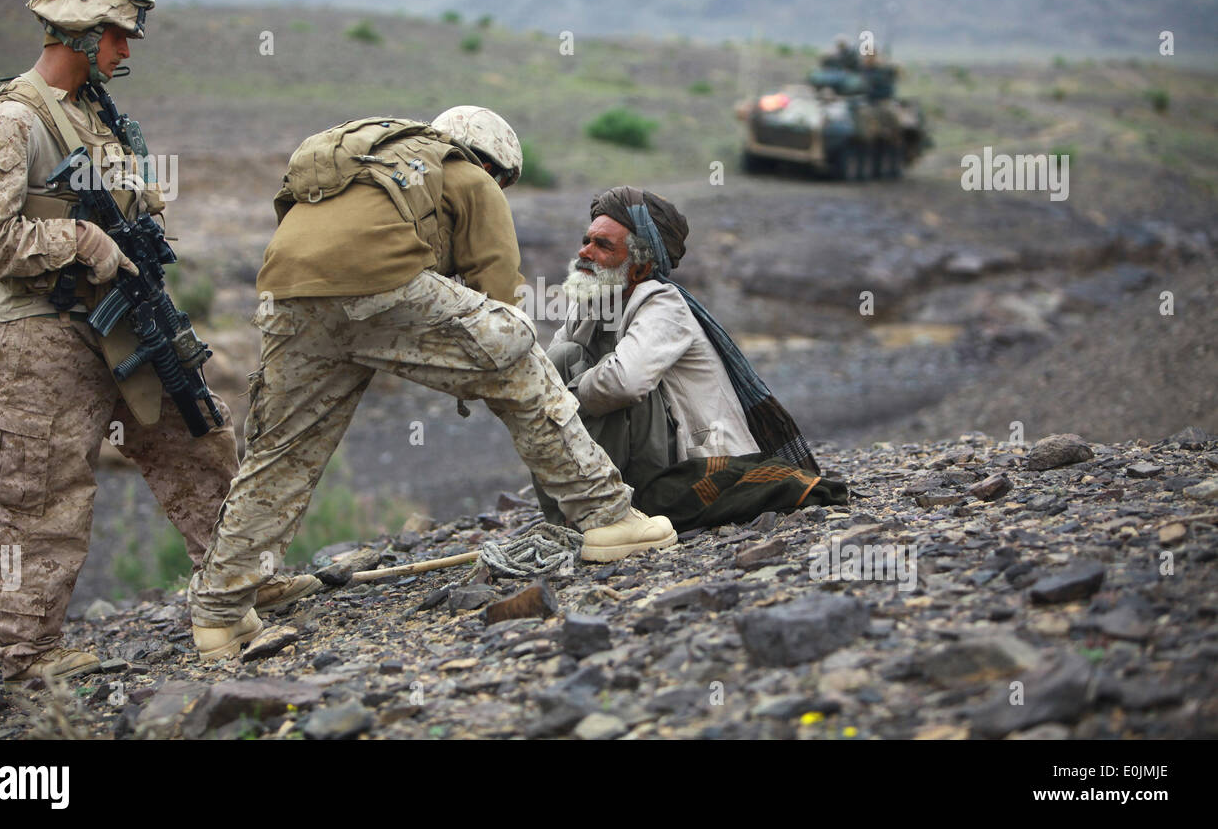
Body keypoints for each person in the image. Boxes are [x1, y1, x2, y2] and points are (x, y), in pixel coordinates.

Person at [188, 108, 677, 660]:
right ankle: (607, 515)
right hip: (381, 283)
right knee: (519, 360)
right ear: (493, 163)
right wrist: (492, 365)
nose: (500, 190)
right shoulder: (467, 174)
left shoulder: (364, 171)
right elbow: (502, 300)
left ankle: (221, 613)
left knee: (282, 448)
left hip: (288, 290)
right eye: (505, 182)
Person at [0, 0, 312, 683]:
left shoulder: (99, 118)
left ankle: (241, 582)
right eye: (118, 36)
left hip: (128, 318)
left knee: (199, 437)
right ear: (81, 33)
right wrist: (77, 239)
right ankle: (30, 656)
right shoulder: (15, 120)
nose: (127, 51)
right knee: (45, 489)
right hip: (46, 334)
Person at [540, 186, 849, 531]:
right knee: (562, 358)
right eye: (587, 240)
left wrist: (562, 403)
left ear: (640, 267)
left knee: (614, 388)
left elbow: (624, 383)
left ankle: (606, 509)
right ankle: (571, 516)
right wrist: (550, 400)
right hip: (643, 453)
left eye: (602, 245)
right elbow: (547, 373)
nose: (585, 252)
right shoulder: (591, 302)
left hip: (693, 460)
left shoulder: (662, 304)